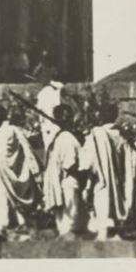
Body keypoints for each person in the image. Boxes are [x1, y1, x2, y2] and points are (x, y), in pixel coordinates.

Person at [0, 103, 41, 232]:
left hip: (7, 174)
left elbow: (4, 158)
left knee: (4, 203)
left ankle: (3, 228)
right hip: (7, 173)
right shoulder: (6, 130)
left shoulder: (8, 131)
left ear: (2, 118)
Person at [82, 101, 131, 240]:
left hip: (101, 178)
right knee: (117, 202)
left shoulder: (96, 134)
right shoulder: (121, 136)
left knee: (102, 200)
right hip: (119, 178)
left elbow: (88, 162)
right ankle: (116, 232)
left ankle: (104, 233)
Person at [42, 102, 89, 238]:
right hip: (69, 179)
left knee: (63, 218)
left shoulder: (57, 137)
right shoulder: (67, 137)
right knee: (70, 218)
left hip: (59, 180)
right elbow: (72, 164)